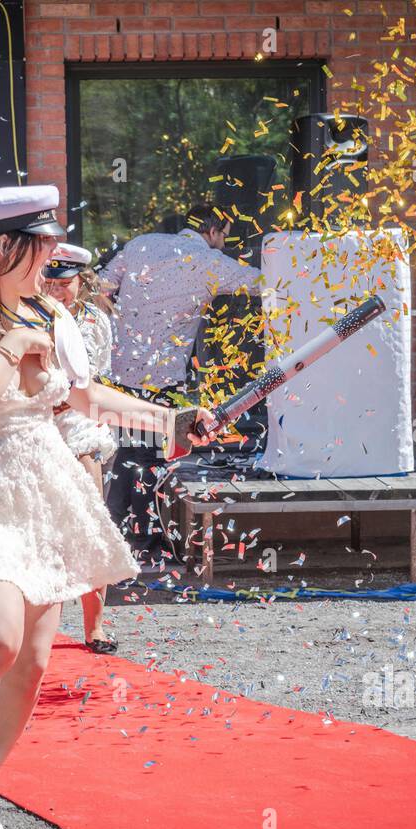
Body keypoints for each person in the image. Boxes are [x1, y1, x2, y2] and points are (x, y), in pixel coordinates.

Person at [0, 184, 215, 829]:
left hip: (42, 488)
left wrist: (171, 420)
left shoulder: (47, 312)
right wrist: (13, 348)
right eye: (43, 250)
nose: (53, 264)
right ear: (6, 247)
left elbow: (87, 398)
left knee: (34, 663)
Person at [100, 203, 260, 561]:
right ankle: (145, 547)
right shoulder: (209, 263)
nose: (225, 241)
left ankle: (114, 539)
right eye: (225, 233)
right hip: (161, 377)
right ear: (214, 230)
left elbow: (102, 286)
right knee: (149, 460)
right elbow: (262, 284)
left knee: (127, 454)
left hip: (119, 370)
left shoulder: (140, 244)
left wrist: (116, 331)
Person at [44, 242, 120, 654]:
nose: (57, 290)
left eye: (65, 283)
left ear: (81, 282)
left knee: (92, 517)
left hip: (76, 423)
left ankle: (95, 626)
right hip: (34, 421)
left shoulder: (94, 322)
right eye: (50, 281)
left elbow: (92, 382)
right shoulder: (27, 313)